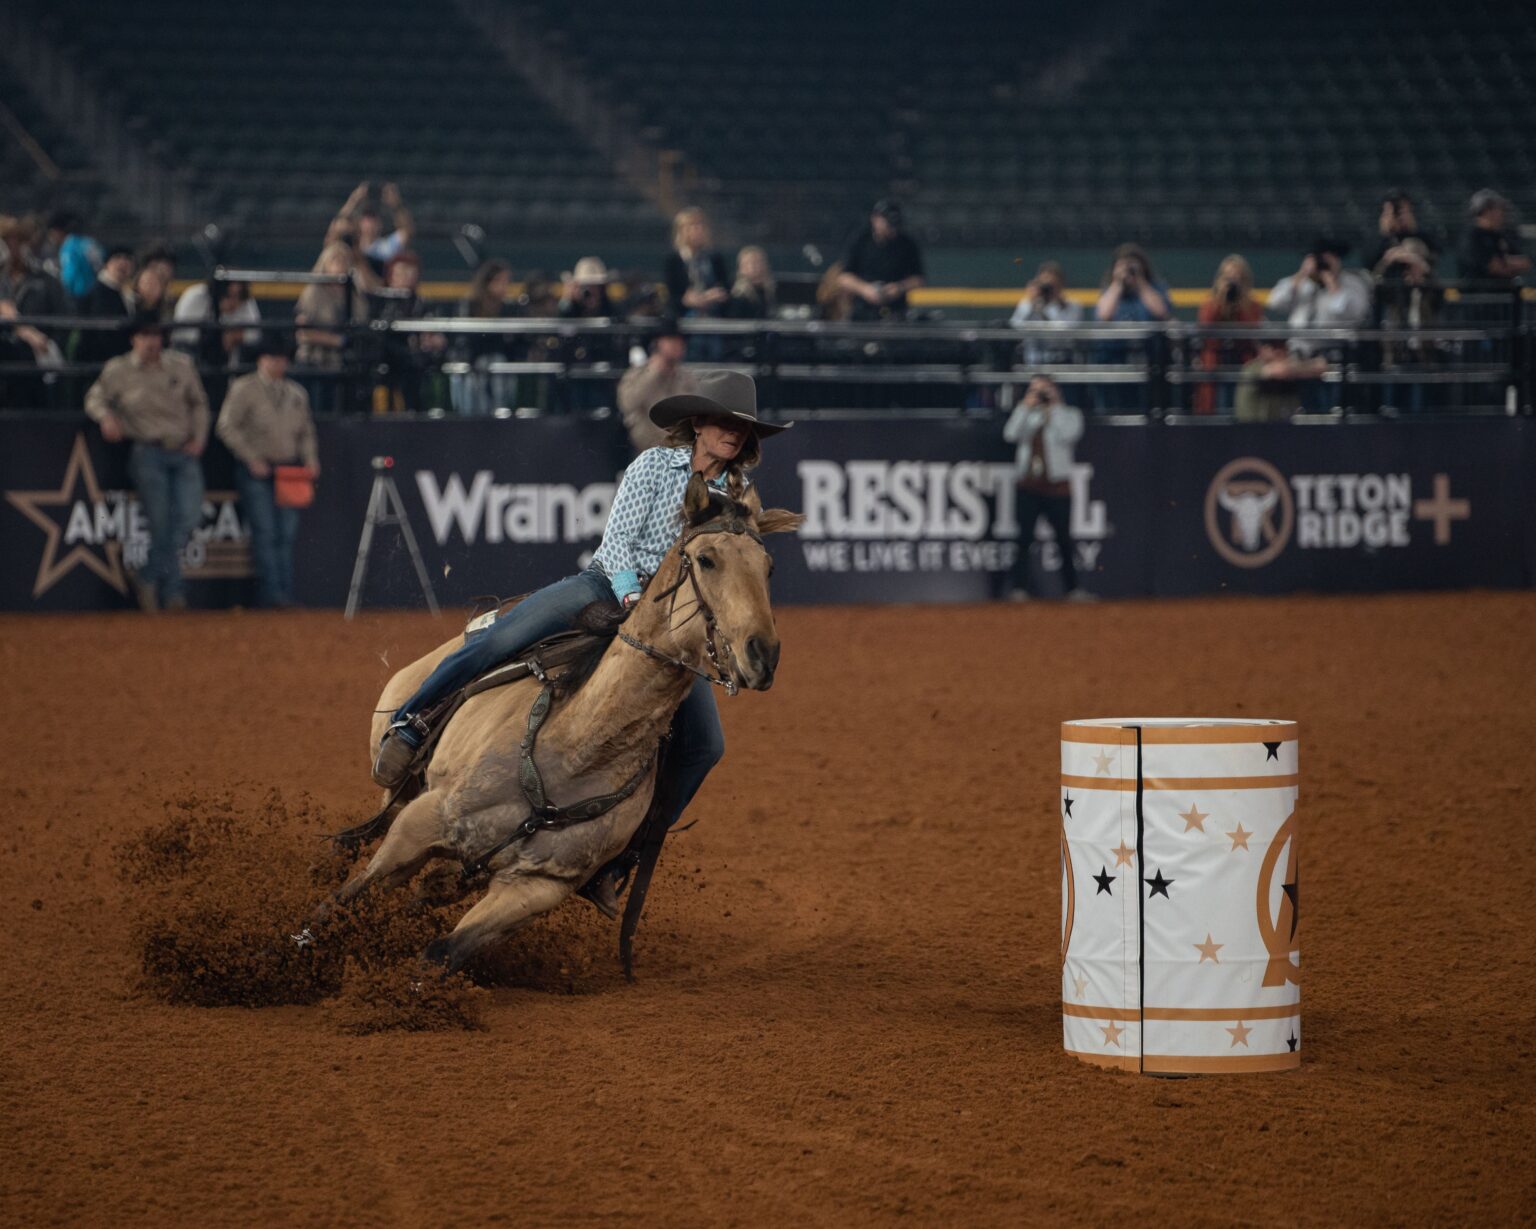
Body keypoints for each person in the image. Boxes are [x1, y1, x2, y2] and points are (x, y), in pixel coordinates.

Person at [371, 370, 792, 822]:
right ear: (697, 424)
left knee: (704, 746)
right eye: (724, 421)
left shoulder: (738, 494)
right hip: (605, 586)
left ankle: (638, 840)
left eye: (742, 425)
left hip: (672, 622)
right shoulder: (653, 465)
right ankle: (411, 725)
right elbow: (616, 546)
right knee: (500, 638)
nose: (734, 432)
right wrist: (632, 598)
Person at [84, 314, 209, 612]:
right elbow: (93, 397)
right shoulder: (118, 370)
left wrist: (200, 437)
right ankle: (173, 593)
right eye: (146, 335)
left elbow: (199, 403)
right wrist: (105, 416)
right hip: (147, 452)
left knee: (188, 519)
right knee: (162, 523)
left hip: (183, 451)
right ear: (134, 339)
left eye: (157, 335)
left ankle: (148, 576)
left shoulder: (181, 365)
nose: (153, 342)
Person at [216, 335, 319, 608]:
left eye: (282, 358)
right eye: (273, 358)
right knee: (266, 533)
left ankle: (281, 594)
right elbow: (227, 426)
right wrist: (251, 458)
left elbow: (306, 431)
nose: (278, 363)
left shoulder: (296, 392)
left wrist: (310, 459)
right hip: (257, 470)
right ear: (261, 360)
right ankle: (273, 596)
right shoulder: (244, 388)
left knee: (284, 535)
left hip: (288, 471)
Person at [1003, 375, 1091, 601]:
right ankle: (1019, 589)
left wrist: (1055, 407)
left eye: (1044, 389)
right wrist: (1025, 406)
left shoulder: (1069, 414)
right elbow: (1010, 434)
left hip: (1057, 487)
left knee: (1064, 540)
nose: (1040, 394)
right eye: (1035, 389)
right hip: (1029, 486)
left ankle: (1072, 589)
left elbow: (1069, 434)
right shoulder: (1027, 414)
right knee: (1023, 540)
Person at [1265, 239, 1372, 411]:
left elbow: (1354, 313)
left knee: (1329, 409)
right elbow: (1275, 302)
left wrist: (1332, 282)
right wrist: (1301, 275)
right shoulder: (1301, 283)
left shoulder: (1351, 283)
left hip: (1333, 356)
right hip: (1298, 355)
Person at [1093, 244, 1171, 410]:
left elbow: (1161, 312)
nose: (1127, 271)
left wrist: (1140, 280)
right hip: (1115, 359)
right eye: (1122, 266)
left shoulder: (1154, 288)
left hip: (1149, 361)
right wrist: (1118, 283)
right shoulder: (1110, 290)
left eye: (1132, 265)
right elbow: (1103, 316)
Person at [1194, 255, 1264, 413]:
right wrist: (1221, 301)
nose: (1232, 282)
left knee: (1242, 409)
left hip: (1243, 362)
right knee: (1217, 408)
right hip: (1216, 363)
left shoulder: (1252, 305)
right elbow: (1205, 327)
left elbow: (1251, 329)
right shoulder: (1210, 303)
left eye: (1237, 277)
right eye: (1228, 277)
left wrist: (1240, 302)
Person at [836, 199, 926, 321]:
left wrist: (898, 288)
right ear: (875, 219)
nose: (892, 229)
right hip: (862, 311)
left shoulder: (907, 244)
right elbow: (843, 277)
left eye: (895, 225)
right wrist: (865, 289)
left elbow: (918, 279)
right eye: (888, 224)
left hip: (896, 312)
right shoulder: (860, 240)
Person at [617, 320, 696, 451]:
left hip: (681, 449)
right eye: (671, 340)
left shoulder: (686, 378)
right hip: (646, 449)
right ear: (658, 343)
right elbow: (626, 404)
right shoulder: (638, 374)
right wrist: (653, 372)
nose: (678, 345)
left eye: (680, 341)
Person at [450, 258, 516, 415]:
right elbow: (464, 341)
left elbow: (512, 343)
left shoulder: (508, 308)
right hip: (473, 367)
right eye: (499, 281)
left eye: (507, 281)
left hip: (500, 367)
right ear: (487, 282)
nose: (504, 286)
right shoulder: (469, 305)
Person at [330, 181, 414, 281]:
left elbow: (407, 230)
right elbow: (335, 231)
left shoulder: (386, 246)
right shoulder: (351, 245)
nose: (370, 225)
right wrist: (353, 201)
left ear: (380, 224)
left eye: (373, 220)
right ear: (359, 223)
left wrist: (396, 205)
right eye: (366, 220)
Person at [171, 277, 262, 368]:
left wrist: (235, 336)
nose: (234, 302)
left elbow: (255, 334)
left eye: (238, 296)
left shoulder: (245, 301)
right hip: (189, 354)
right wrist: (218, 336)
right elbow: (184, 336)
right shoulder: (196, 296)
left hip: (224, 362)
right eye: (228, 295)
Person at [1234, 339, 1327, 423]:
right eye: (1273, 347)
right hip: (1251, 429)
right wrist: (1302, 368)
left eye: (1283, 346)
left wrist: (1299, 368)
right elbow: (1279, 370)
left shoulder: (1290, 363)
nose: (1280, 351)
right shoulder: (1252, 367)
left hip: (1278, 428)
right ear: (1262, 350)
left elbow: (1321, 366)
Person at [1010, 260, 1083, 365]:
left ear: (1061, 285)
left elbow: (1065, 337)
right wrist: (1031, 304)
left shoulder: (1073, 306)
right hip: (1032, 361)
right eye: (1044, 286)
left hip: (1061, 360)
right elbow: (1014, 328)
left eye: (1052, 286)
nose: (1048, 290)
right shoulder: (1028, 304)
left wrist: (1051, 305)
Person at [76, 246, 135, 366]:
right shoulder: (100, 292)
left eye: (127, 259)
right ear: (107, 264)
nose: (123, 263)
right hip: (99, 362)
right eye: (117, 258)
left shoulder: (124, 293)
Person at [1460, 189, 1530, 284]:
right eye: (1498, 209)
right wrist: (1509, 264)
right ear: (1486, 211)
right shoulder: (1473, 236)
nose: (1502, 213)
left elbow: (1525, 263)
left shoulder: (1499, 235)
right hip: (1480, 294)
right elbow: (1494, 267)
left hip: (1504, 293)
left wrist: (1505, 263)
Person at [728, 246, 777, 319]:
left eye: (757, 262)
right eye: (748, 263)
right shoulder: (737, 295)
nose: (753, 267)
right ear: (741, 268)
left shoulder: (773, 289)